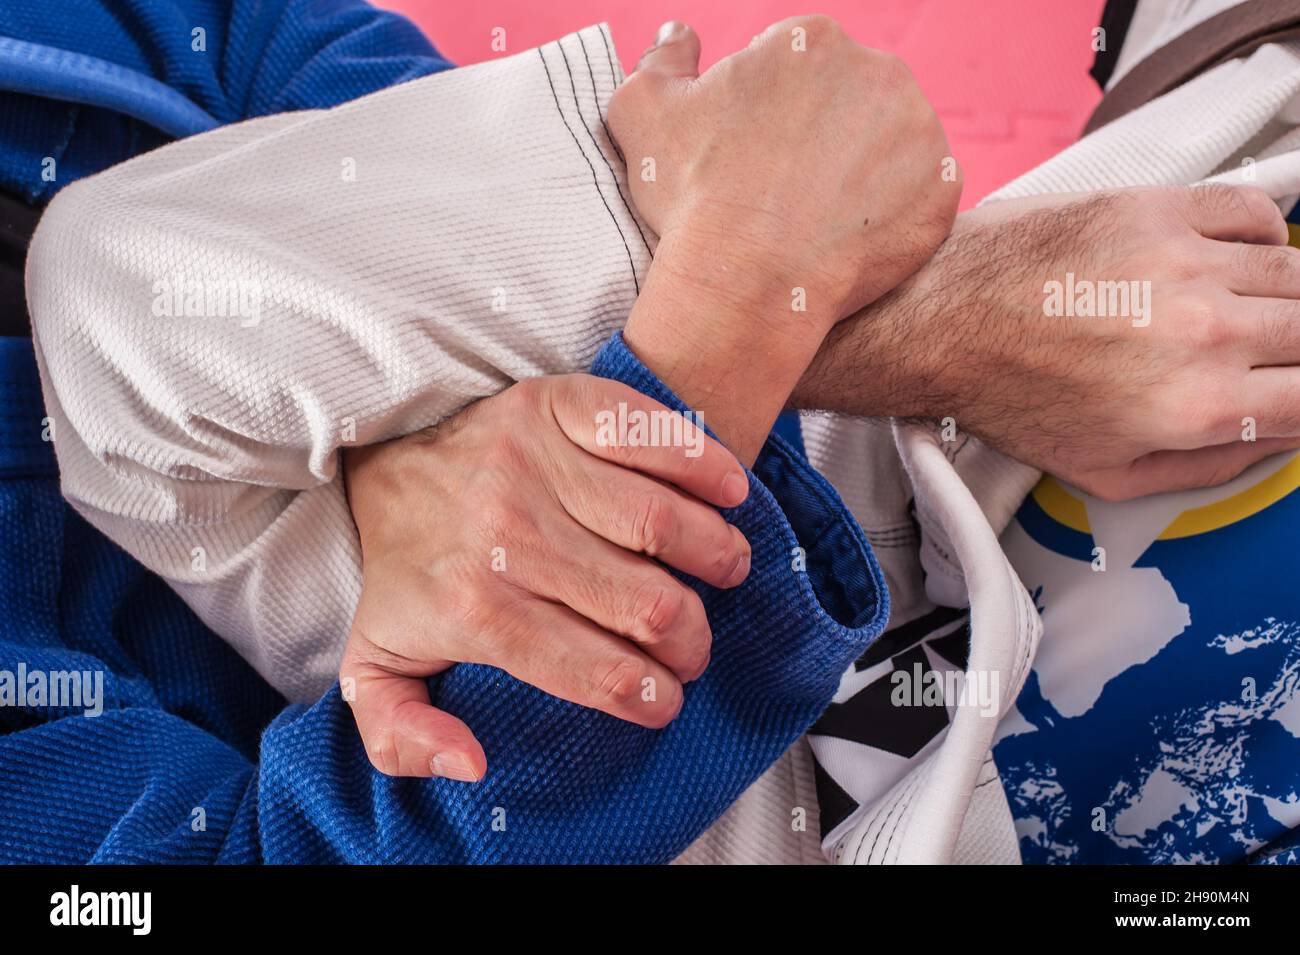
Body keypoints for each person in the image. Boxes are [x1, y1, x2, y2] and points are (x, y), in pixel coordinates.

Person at [15, 1, 1300, 864]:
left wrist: (452, 458)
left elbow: (382, 137)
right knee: (112, 282)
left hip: (886, 459)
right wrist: (812, 321)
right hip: (673, 783)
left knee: (119, 281)